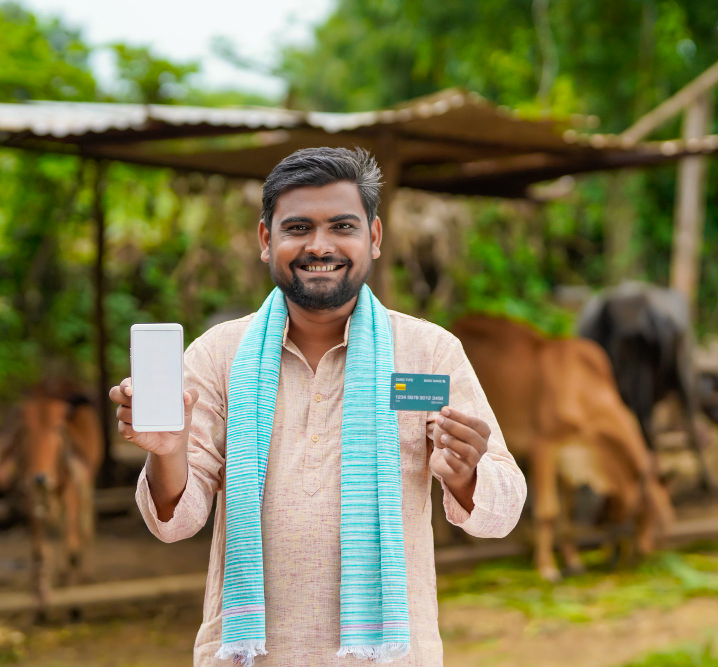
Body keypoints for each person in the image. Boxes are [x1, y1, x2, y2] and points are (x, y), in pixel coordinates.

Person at [110, 147, 526, 666]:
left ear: (374, 237)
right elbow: (175, 523)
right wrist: (167, 451)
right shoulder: (218, 356)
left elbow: (503, 511)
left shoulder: (427, 354)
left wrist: (466, 474)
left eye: (342, 226)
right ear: (267, 240)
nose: (320, 245)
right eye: (298, 228)